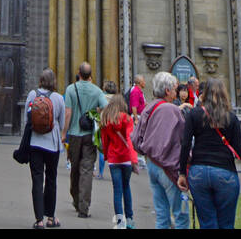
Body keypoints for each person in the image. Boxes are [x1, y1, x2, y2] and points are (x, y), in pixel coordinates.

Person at [177, 78, 241, 229]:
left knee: (207, 223)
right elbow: (240, 153)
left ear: (205, 94)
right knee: (226, 223)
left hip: (199, 171)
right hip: (225, 171)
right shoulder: (231, 118)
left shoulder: (194, 114)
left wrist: (182, 173)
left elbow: (185, 145)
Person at [134, 71, 189, 230]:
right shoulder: (172, 110)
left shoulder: (149, 107)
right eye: (174, 89)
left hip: (152, 164)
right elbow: (183, 141)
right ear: (167, 90)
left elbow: (136, 137)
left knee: (162, 214)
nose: (176, 92)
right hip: (168, 167)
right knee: (181, 215)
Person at [63, 61, 108, 218]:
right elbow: (106, 107)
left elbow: (67, 113)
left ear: (79, 73)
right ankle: (84, 207)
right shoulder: (97, 91)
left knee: (75, 169)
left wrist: (64, 133)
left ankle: (76, 200)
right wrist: (96, 114)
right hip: (90, 134)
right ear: (90, 75)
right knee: (87, 170)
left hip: (74, 135)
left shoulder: (70, 89)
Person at [25, 67, 65, 229]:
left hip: (35, 143)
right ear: (53, 82)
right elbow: (61, 124)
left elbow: (26, 120)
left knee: (37, 179)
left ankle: (39, 220)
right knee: (51, 179)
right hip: (52, 144)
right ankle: (50, 217)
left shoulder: (32, 95)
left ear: (40, 80)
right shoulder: (58, 98)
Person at [100, 91, 137, 229]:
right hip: (126, 158)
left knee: (117, 190)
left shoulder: (106, 120)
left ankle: (120, 222)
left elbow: (105, 141)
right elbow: (130, 138)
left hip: (114, 159)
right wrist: (134, 158)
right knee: (126, 187)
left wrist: (105, 156)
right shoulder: (127, 119)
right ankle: (130, 218)